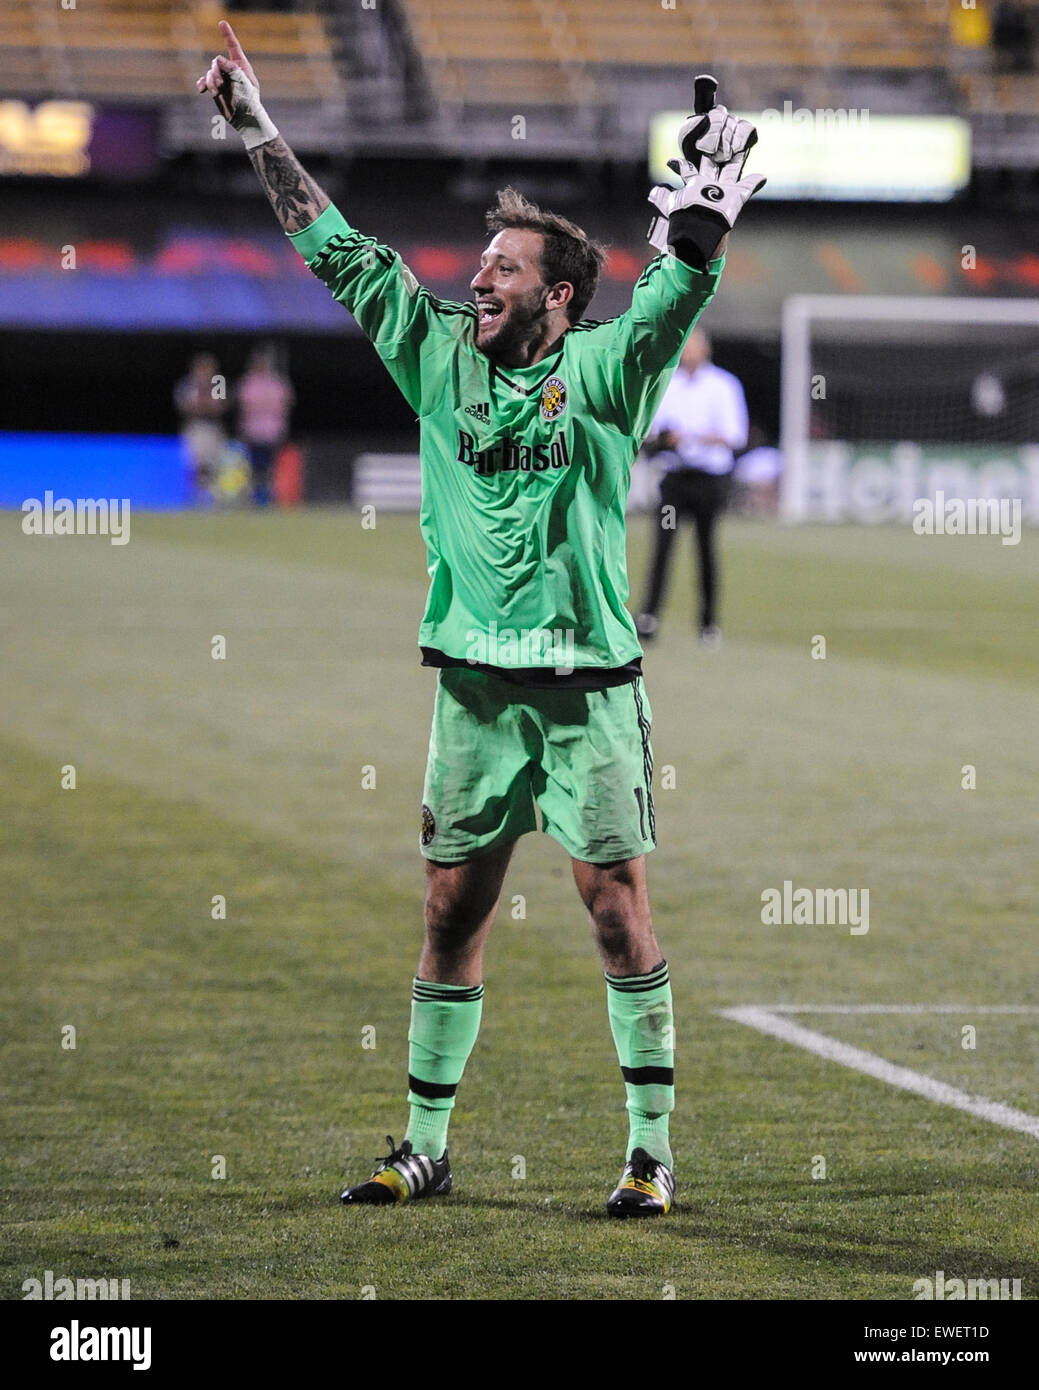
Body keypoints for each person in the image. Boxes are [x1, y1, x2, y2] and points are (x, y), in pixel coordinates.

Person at [198, 22, 764, 1217]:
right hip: (469, 691)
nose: (475, 278)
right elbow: (337, 250)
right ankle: (424, 1145)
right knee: (450, 907)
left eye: (501, 269)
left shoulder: (607, 371)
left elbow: (669, 300)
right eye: (479, 265)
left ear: (555, 295)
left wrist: (703, 227)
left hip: (587, 695)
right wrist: (255, 125)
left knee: (616, 911)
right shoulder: (433, 353)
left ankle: (650, 1152)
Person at [634, 330, 749, 648]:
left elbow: (735, 436)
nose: (690, 352)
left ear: (706, 350)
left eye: (695, 346)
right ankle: (648, 618)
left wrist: (693, 436)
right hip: (674, 478)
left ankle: (709, 623)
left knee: (705, 550)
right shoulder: (668, 384)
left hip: (709, 479)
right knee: (662, 549)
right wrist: (665, 439)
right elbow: (653, 431)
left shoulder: (724, 385)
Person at [236, 343, 294, 504]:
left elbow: (285, 403)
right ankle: (254, 496)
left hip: (271, 431)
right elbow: (246, 406)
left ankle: (268, 496)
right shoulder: (248, 382)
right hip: (253, 430)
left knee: (270, 466)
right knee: (254, 467)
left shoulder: (276, 382)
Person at [174, 352, 230, 500]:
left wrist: (203, 404)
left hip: (212, 427)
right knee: (195, 462)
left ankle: (209, 495)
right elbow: (184, 405)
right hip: (195, 426)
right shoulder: (189, 383)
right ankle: (195, 494)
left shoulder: (218, 382)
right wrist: (204, 404)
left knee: (211, 462)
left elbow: (219, 407)